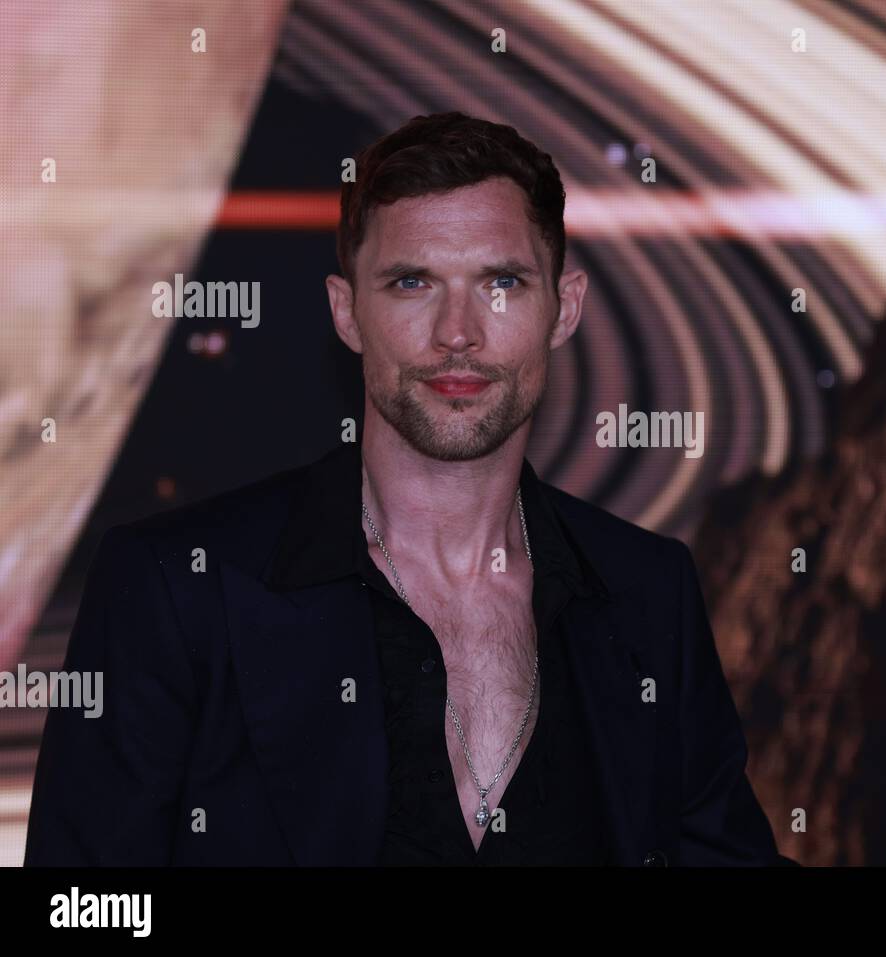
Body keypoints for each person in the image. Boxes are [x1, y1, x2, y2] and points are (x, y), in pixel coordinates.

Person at [24, 111, 790, 866]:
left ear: (564, 308)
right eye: (412, 281)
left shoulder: (650, 594)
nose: (458, 330)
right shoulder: (172, 590)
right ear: (346, 311)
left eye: (502, 282)